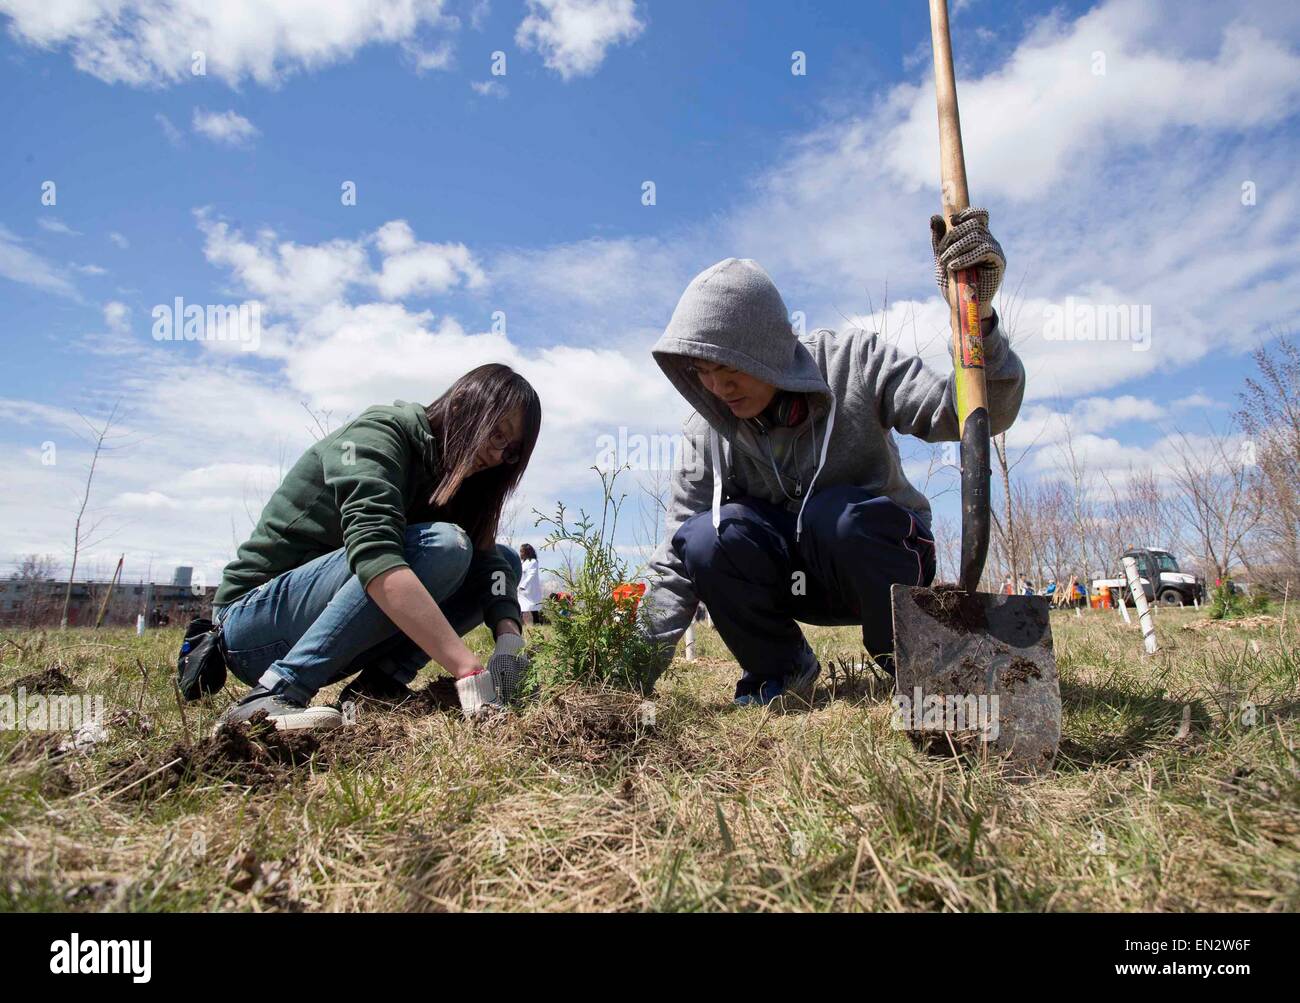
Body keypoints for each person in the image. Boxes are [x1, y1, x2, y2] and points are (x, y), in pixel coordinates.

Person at [641, 209, 1025, 707]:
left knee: (835, 515)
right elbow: (677, 556)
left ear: (767, 347)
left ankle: (916, 661)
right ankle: (781, 669)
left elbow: (971, 414)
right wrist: (628, 669)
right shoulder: (707, 429)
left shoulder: (854, 364)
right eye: (702, 371)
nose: (718, 387)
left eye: (729, 366)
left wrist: (979, 319)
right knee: (706, 534)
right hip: (795, 585)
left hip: (881, 561)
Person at [210, 364, 541, 730]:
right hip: (252, 628)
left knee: (504, 559)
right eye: (497, 434)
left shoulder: (459, 481)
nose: (497, 457)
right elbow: (376, 555)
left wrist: (508, 637)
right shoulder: (377, 435)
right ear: (463, 404)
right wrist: (468, 668)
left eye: (510, 452)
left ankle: (377, 688)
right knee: (445, 545)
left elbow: (490, 563)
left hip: (330, 627)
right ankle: (274, 694)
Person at [517, 543, 544, 626]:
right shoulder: (522, 562)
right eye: (520, 551)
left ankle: (538, 624)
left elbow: (531, 575)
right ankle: (520, 625)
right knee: (521, 607)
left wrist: (523, 585)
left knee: (533, 608)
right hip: (521, 591)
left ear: (527, 552)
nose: (520, 553)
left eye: (522, 552)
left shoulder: (533, 562)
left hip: (530, 590)